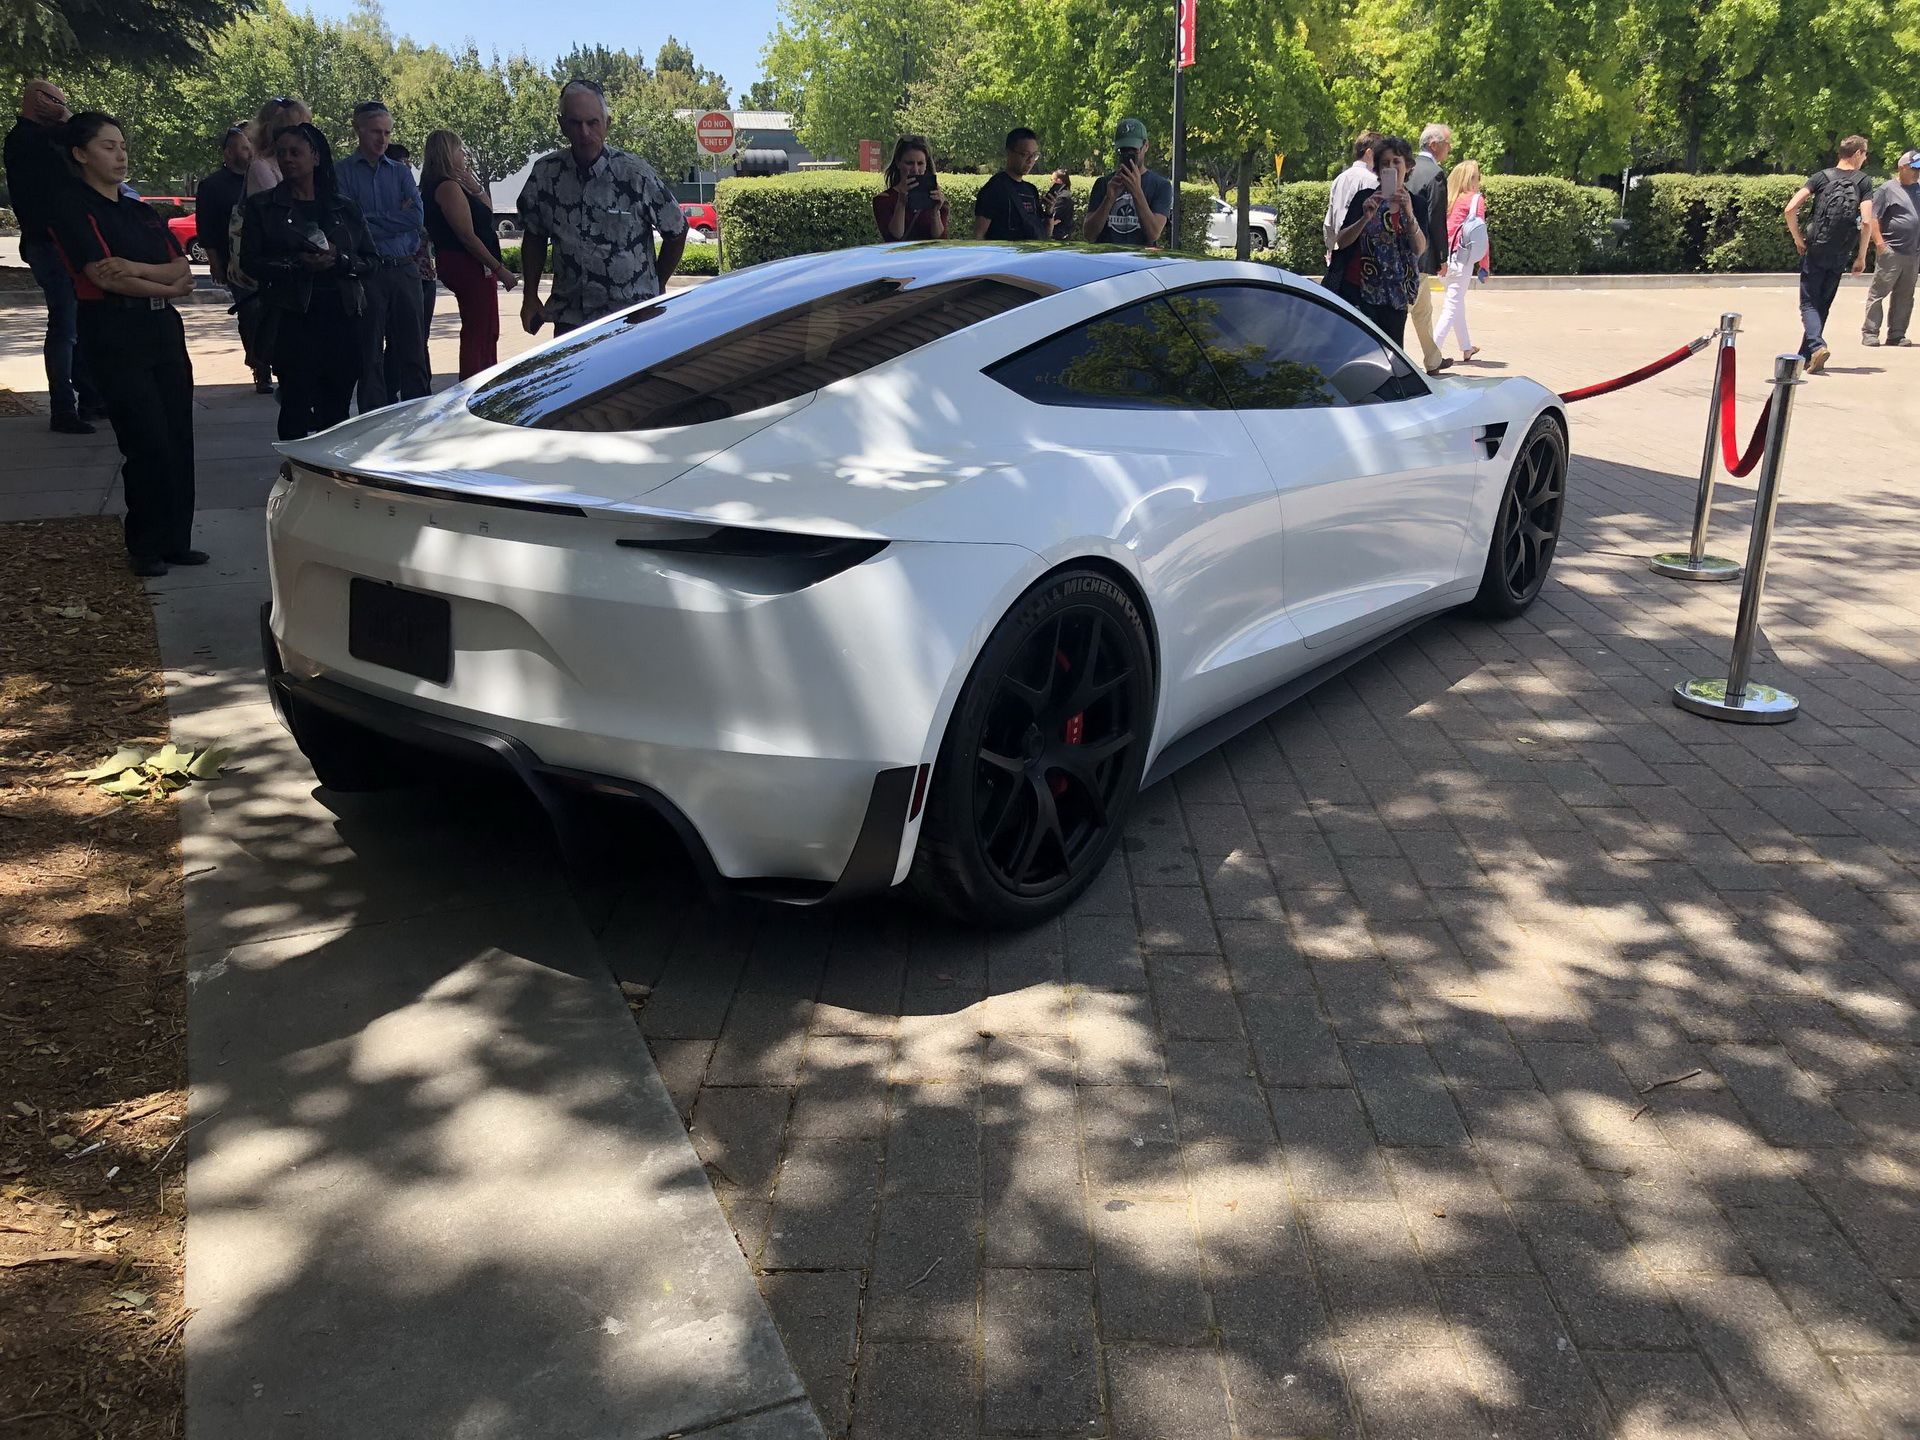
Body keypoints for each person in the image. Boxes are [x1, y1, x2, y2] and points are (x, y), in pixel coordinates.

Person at [46, 112, 201, 575]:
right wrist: (161, 282)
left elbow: (182, 271)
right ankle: (146, 544)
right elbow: (103, 278)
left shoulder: (139, 211)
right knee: (146, 438)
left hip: (162, 329)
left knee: (177, 436)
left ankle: (176, 539)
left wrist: (140, 271)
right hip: (115, 331)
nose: (120, 154)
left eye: (121, 145)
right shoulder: (74, 207)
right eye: (107, 146)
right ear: (81, 154)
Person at [517, 79, 687, 336]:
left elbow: (677, 229)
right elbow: (534, 235)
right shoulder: (545, 175)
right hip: (570, 320)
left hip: (631, 318)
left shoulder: (635, 174)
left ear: (607, 124)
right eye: (575, 123)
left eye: (592, 123)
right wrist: (530, 297)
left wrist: (656, 286)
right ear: (562, 124)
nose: (584, 133)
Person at [240, 122, 377, 442]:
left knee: (337, 409)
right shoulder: (263, 207)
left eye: (296, 152)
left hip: (342, 316)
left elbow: (371, 261)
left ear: (315, 157)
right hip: (293, 318)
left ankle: (331, 476)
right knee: (295, 406)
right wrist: (296, 264)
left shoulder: (344, 207)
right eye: (282, 153)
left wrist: (339, 260)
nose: (287, 159)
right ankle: (295, 476)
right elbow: (250, 262)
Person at [6, 79, 102, 433]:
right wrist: (67, 119)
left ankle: (89, 396)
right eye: (56, 101)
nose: (61, 108)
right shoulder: (26, 140)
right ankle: (64, 407)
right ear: (37, 101)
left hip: (66, 241)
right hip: (47, 243)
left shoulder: (45, 139)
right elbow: (80, 137)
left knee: (78, 321)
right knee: (65, 325)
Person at [335, 101, 429, 410]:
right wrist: (386, 218)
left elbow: (415, 216)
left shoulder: (401, 172)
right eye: (376, 132)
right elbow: (350, 224)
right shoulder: (343, 173)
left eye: (387, 132)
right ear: (358, 130)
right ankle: (372, 420)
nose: (383, 140)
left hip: (404, 269)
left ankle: (418, 416)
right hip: (369, 272)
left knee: (413, 351)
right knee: (369, 354)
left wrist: (370, 220)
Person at [421, 128, 518, 378]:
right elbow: (467, 235)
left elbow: (485, 213)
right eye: (459, 149)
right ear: (446, 153)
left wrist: (475, 186)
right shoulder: (447, 187)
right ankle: (477, 382)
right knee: (480, 329)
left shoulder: (452, 185)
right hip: (466, 263)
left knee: (485, 327)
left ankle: (484, 377)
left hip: (466, 263)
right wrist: (500, 269)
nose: (463, 154)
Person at [1784, 135, 1875, 373]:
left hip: (1816, 246)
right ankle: (1809, 352)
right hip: (1840, 251)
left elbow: (1790, 208)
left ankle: (1814, 346)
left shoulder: (1821, 177)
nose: (1865, 159)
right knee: (1822, 302)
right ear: (1857, 154)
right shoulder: (1863, 182)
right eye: (1864, 154)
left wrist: (1797, 238)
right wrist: (1861, 257)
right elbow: (1866, 222)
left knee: (1808, 302)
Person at [1327, 135, 1426, 344]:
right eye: (1385, 163)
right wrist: (1365, 218)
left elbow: (1419, 249)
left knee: (1391, 357)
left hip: (1395, 296)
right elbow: (1341, 241)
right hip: (1358, 292)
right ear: (1378, 169)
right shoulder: (1364, 198)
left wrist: (1409, 213)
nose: (1391, 167)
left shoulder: (1417, 204)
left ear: (1408, 166)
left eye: (1396, 161)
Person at [196, 125, 272, 393]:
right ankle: (259, 367)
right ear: (228, 152)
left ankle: (268, 358)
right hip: (236, 262)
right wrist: (215, 262)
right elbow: (205, 228)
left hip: (269, 257)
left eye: (250, 145)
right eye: (242, 146)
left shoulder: (262, 177)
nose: (248, 151)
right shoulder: (212, 186)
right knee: (250, 312)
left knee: (271, 312)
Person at [383, 141, 438, 392]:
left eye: (408, 164)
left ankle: (420, 391)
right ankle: (392, 390)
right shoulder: (384, 199)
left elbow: (419, 222)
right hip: (400, 269)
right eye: (400, 164)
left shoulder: (414, 194)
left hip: (424, 273)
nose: (406, 169)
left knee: (419, 338)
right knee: (398, 341)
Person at [1406, 123, 1452, 374]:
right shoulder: (1435, 173)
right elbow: (1436, 219)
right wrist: (1442, 257)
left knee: (1423, 309)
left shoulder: (1407, 168)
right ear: (1433, 145)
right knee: (1410, 308)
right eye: (1447, 143)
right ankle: (1394, 358)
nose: (1449, 148)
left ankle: (1433, 359)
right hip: (1421, 254)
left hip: (1403, 249)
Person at [1083, 118, 1172, 247]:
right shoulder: (1103, 183)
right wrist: (1109, 198)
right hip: (1108, 260)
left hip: (1139, 262)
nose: (1128, 154)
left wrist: (1137, 191)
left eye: (1133, 150)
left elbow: (1153, 234)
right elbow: (1089, 235)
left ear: (1145, 146)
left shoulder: (1161, 186)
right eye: (1123, 150)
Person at [1434, 159, 1490, 364]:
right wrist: (1484, 265)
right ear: (1471, 179)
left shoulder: (1448, 200)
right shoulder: (1475, 200)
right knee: (1451, 306)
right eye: (1477, 176)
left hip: (1442, 259)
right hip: (1462, 259)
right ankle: (1432, 351)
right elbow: (1480, 235)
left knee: (1456, 303)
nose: (1479, 180)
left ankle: (1466, 348)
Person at [1863, 148, 1919, 348]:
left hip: (1913, 253)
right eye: (1914, 168)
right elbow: (1874, 217)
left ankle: (1897, 334)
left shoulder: (1918, 190)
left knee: (1905, 295)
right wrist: (1879, 244)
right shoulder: (1887, 189)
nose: (1917, 172)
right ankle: (1870, 332)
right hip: (1891, 250)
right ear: (1902, 168)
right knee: (1879, 292)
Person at [872, 134, 950, 241]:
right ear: (898, 163)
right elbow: (894, 237)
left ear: (926, 165)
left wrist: (935, 212)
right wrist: (901, 202)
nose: (915, 169)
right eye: (909, 163)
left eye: (920, 163)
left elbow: (940, 239)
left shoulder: (936, 199)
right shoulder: (884, 200)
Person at [1323, 130, 1381, 269]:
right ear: (1369, 153)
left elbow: (1329, 220)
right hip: (1358, 253)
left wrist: (1331, 248)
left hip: (1338, 249)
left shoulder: (1339, 179)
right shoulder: (1372, 180)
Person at [972, 129, 1042, 240]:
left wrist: (1049, 213)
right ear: (1009, 153)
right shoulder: (994, 188)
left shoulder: (1031, 190)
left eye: (1034, 155)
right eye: (1025, 154)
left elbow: (1040, 234)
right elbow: (979, 234)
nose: (1030, 161)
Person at [1043, 169, 1075, 240]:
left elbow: (1054, 218)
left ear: (1059, 181)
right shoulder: (1063, 197)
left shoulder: (1063, 199)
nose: (1051, 182)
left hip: (1058, 236)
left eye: (1052, 180)